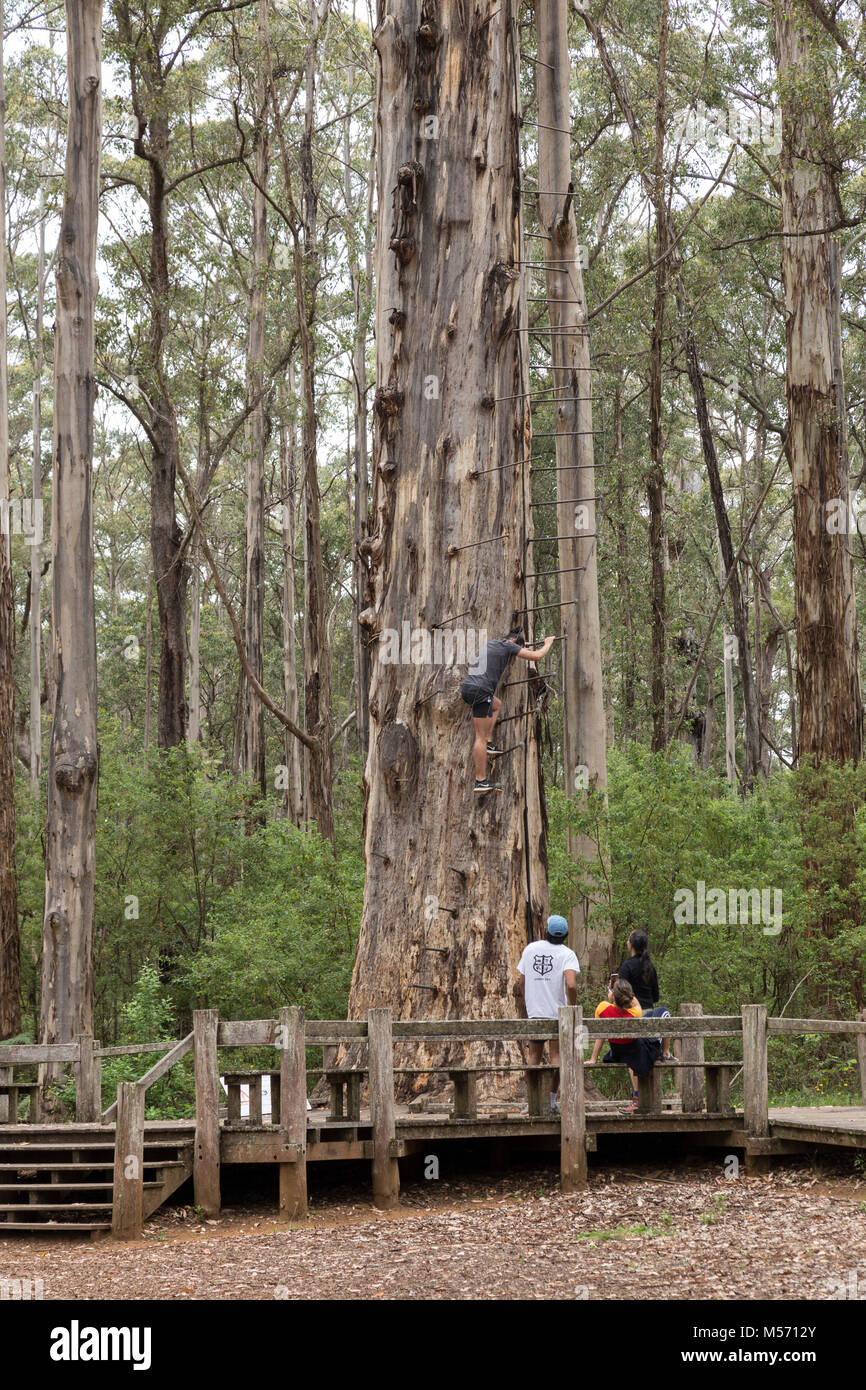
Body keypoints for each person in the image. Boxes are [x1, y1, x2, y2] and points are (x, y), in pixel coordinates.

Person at [460, 627, 557, 793]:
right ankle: (480, 781)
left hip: (470, 688)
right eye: (518, 648)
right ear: (514, 642)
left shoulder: (492, 644)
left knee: (497, 704)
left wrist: (520, 648)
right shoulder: (508, 645)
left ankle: (489, 743)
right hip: (481, 691)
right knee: (479, 738)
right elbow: (537, 656)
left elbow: (509, 651)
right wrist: (548, 643)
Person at [514, 914, 579, 1115]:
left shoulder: (530, 949)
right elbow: (571, 984)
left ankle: (531, 1103)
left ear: (546, 931)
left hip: (536, 1012)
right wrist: (573, 1006)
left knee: (533, 1055)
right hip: (557, 1013)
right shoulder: (567, 954)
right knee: (556, 1055)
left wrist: (529, 1003)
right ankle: (551, 1100)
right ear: (565, 935)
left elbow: (522, 981)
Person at [587, 978, 660, 1113]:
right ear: (629, 996)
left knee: (633, 1053)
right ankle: (665, 1052)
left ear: (613, 995)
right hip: (634, 1053)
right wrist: (625, 993)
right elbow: (636, 1005)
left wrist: (593, 1058)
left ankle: (637, 1097)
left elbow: (601, 1033)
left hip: (617, 1053)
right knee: (659, 1012)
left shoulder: (602, 1008)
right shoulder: (635, 1013)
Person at [617, 930, 672, 1060]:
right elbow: (656, 997)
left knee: (634, 1055)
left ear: (631, 945)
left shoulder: (626, 967)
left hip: (632, 1016)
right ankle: (665, 1052)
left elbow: (621, 995)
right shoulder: (650, 967)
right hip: (651, 1016)